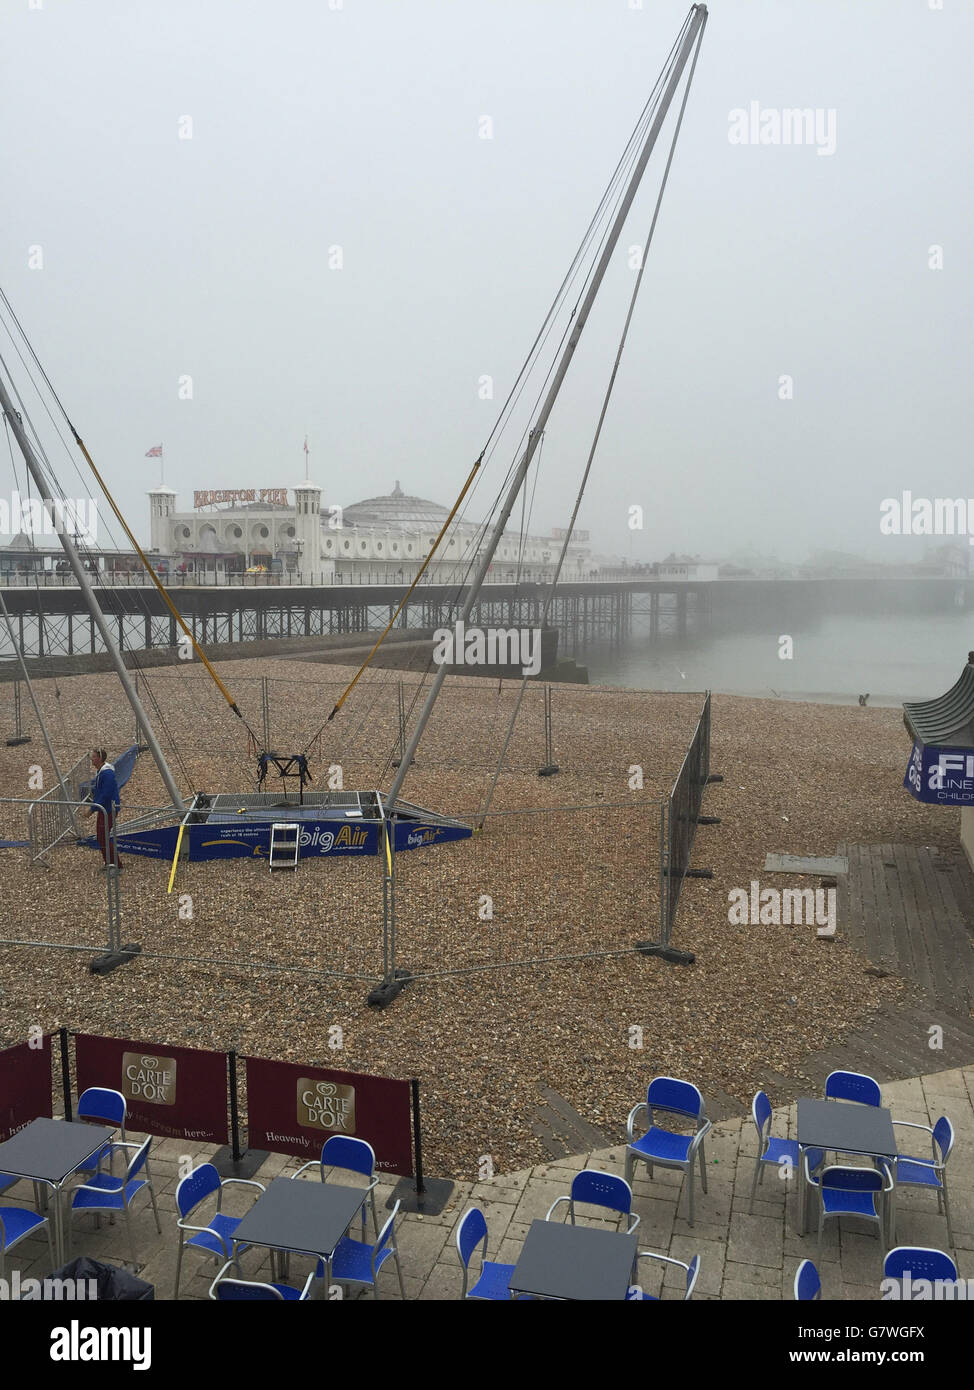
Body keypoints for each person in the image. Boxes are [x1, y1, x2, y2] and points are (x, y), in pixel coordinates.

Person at [88, 749, 122, 871]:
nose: (91, 759)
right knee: (102, 836)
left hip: (108, 809)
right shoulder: (102, 772)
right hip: (105, 808)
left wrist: (92, 809)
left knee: (103, 837)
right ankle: (109, 862)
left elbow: (106, 793)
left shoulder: (106, 773)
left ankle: (116, 864)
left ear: (99, 759)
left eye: (94, 757)